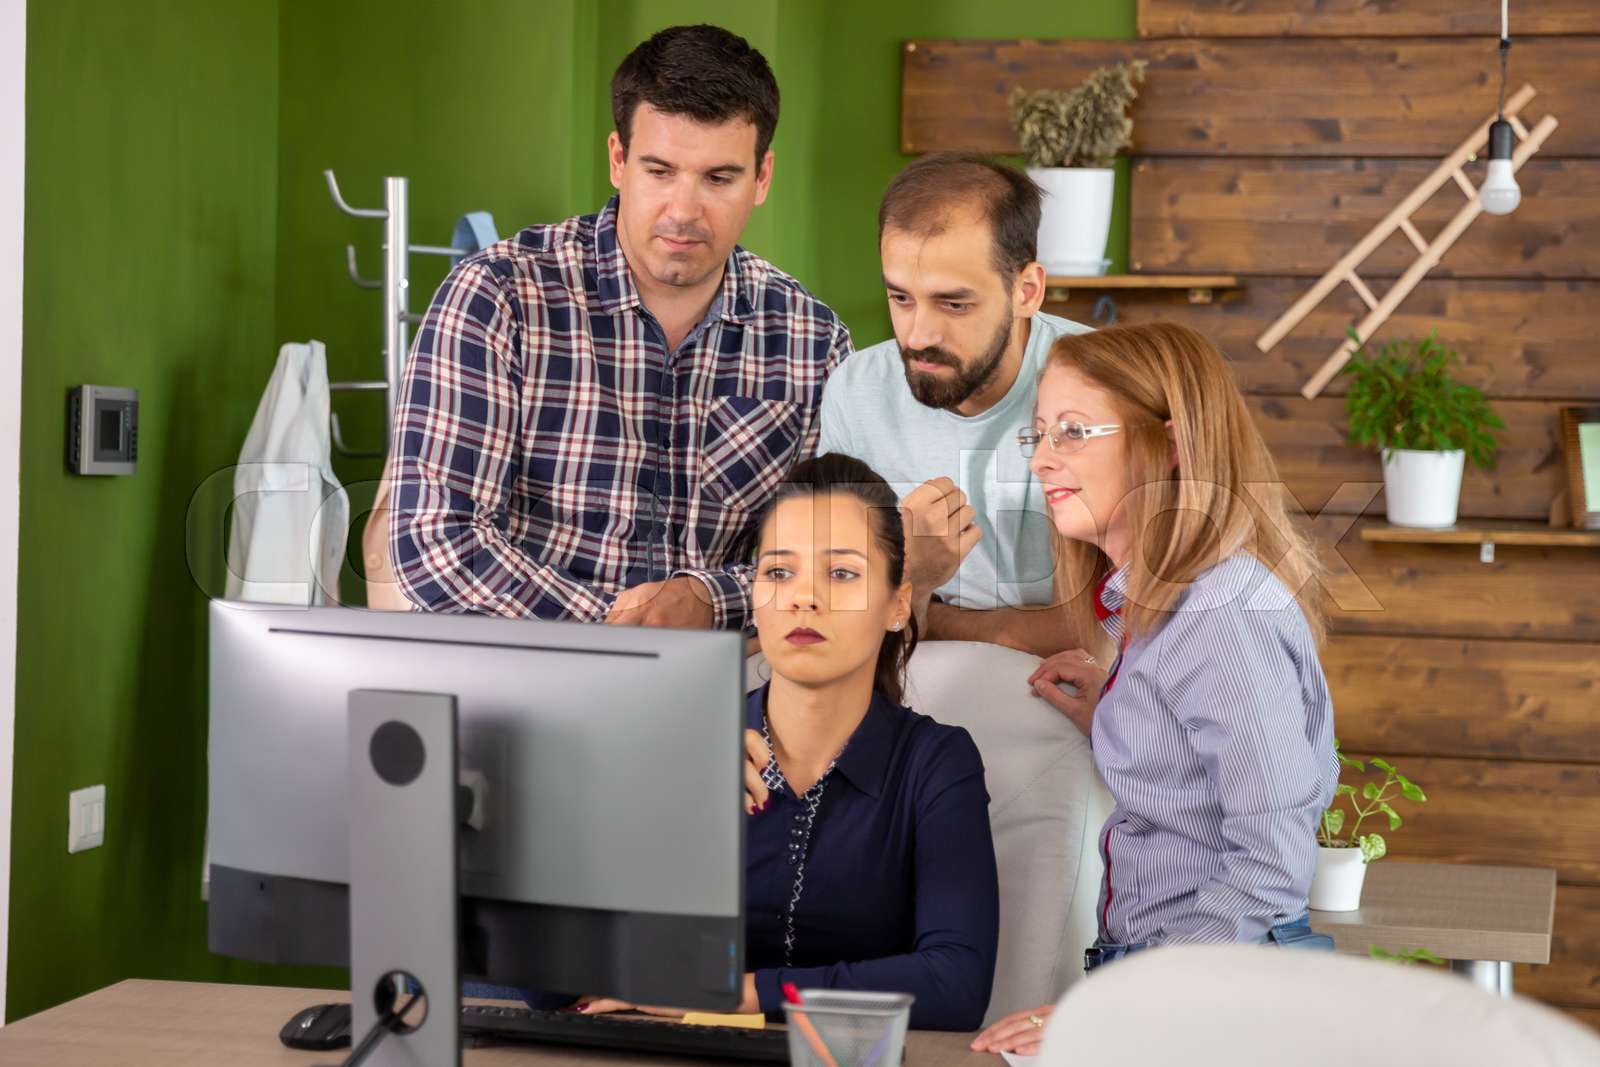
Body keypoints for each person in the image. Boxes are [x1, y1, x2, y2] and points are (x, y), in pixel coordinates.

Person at [389, 25, 852, 633]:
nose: (684, 211)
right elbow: (436, 544)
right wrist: (631, 627)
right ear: (618, 159)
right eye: (660, 170)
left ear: (762, 177)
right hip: (525, 672)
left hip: (726, 686)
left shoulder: (813, 341)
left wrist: (708, 600)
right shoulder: (498, 297)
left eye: (719, 178)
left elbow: (835, 557)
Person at [974, 323, 1339, 1055]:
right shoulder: (1163, 613)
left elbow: (1269, 862)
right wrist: (1119, 708)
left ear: (1170, 444)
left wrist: (1135, 1007)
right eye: (1038, 434)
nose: (1043, 459)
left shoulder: (1223, 613)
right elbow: (1200, 786)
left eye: (1073, 432)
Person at [578, 453, 1000, 1030]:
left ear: (898, 604)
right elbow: (549, 989)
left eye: (842, 573)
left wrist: (736, 993)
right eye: (778, 573)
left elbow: (955, 984)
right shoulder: (678, 750)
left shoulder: (935, 763)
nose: (803, 598)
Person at [818, 153, 1094, 659]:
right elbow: (833, 604)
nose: (918, 335)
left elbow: (1114, 627)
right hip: (904, 668)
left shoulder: (1103, 386)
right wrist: (919, 583)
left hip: (1065, 680)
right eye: (900, 298)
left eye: (954, 304)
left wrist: (920, 606)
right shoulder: (855, 390)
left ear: (1026, 291)